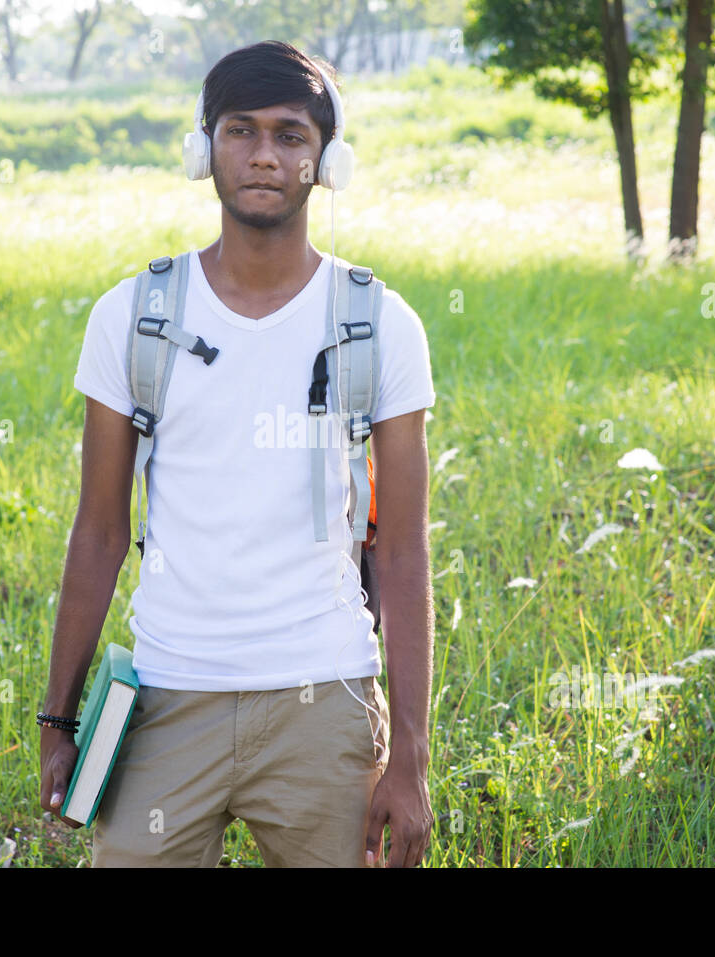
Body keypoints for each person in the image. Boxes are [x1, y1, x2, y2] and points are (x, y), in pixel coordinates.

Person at [39, 40, 436, 867]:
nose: (263, 154)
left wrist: (411, 756)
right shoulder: (133, 315)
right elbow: (100, 532)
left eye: (291, 135)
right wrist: (58, 719)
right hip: (165, 701)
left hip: (322, 698)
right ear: (203, 147)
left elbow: (401, 550)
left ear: (327, 161)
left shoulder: (379, 322)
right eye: (240, 130)